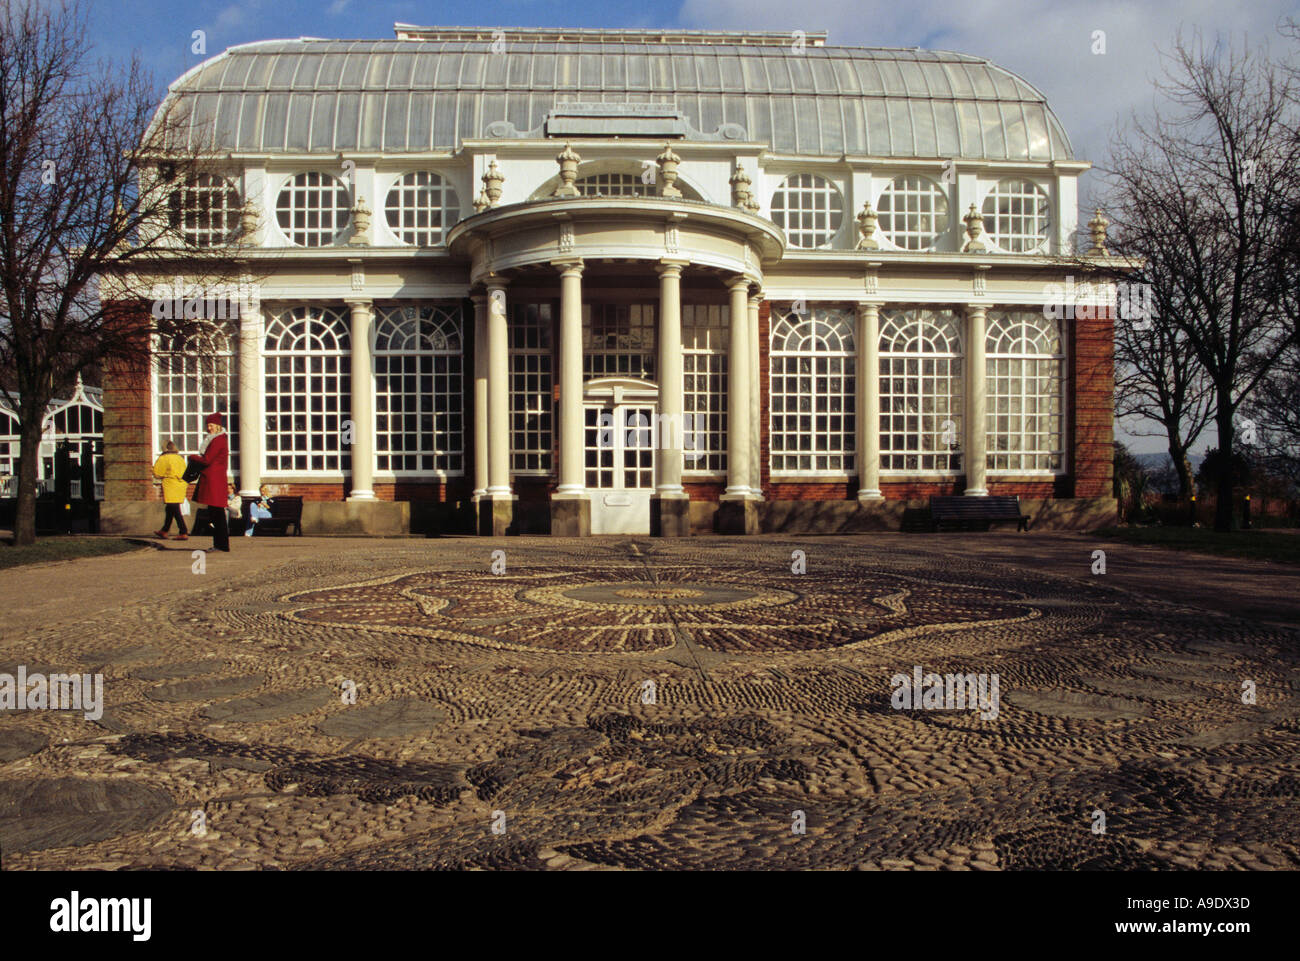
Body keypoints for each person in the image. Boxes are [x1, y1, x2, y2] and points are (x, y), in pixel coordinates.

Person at [189, 412, 230, 552]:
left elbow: (207, 460)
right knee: (216, 513)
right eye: (208, 425)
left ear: (217, 426)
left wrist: (193, 457)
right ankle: (221, 544)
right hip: (214, 480)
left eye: (211, 425)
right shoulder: (218, 439)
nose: (209, 428)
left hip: (214, 481)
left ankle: (221, 544)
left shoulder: (217, 440)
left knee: (217, 513)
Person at [151, 441, 189, 540]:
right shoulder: (180, 458)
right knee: (170, 508)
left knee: (174, 508)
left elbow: (157, 473)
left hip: (171, 484)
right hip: (181, 484)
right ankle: (164, 530)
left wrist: (154, 471)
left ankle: (183, 531)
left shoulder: (164, 458)